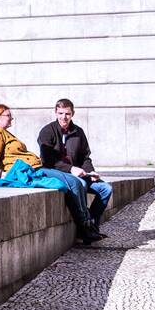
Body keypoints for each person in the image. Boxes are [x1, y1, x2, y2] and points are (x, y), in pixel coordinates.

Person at [0, 103, 100, 244]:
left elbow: (1, 159)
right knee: (73, 183)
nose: (12, 119)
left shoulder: (5, 132)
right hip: (30, 171)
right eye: (8, 116)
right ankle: (84, 227)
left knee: (77, 183)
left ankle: (88, 226)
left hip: (34, 168)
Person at [38, 98, 112, 238]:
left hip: (79, 172)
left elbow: (85, 157)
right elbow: (48, 161)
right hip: (59, 173)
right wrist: (71, 169)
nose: (63, 117)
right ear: (55, 112)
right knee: (81, 184)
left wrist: (90, 172)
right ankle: (85, 227)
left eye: (67, 114)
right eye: (60, 113)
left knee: (106, 188)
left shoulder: (78, 132)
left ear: (73, 114)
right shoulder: (47, 131)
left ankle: (93, 225)